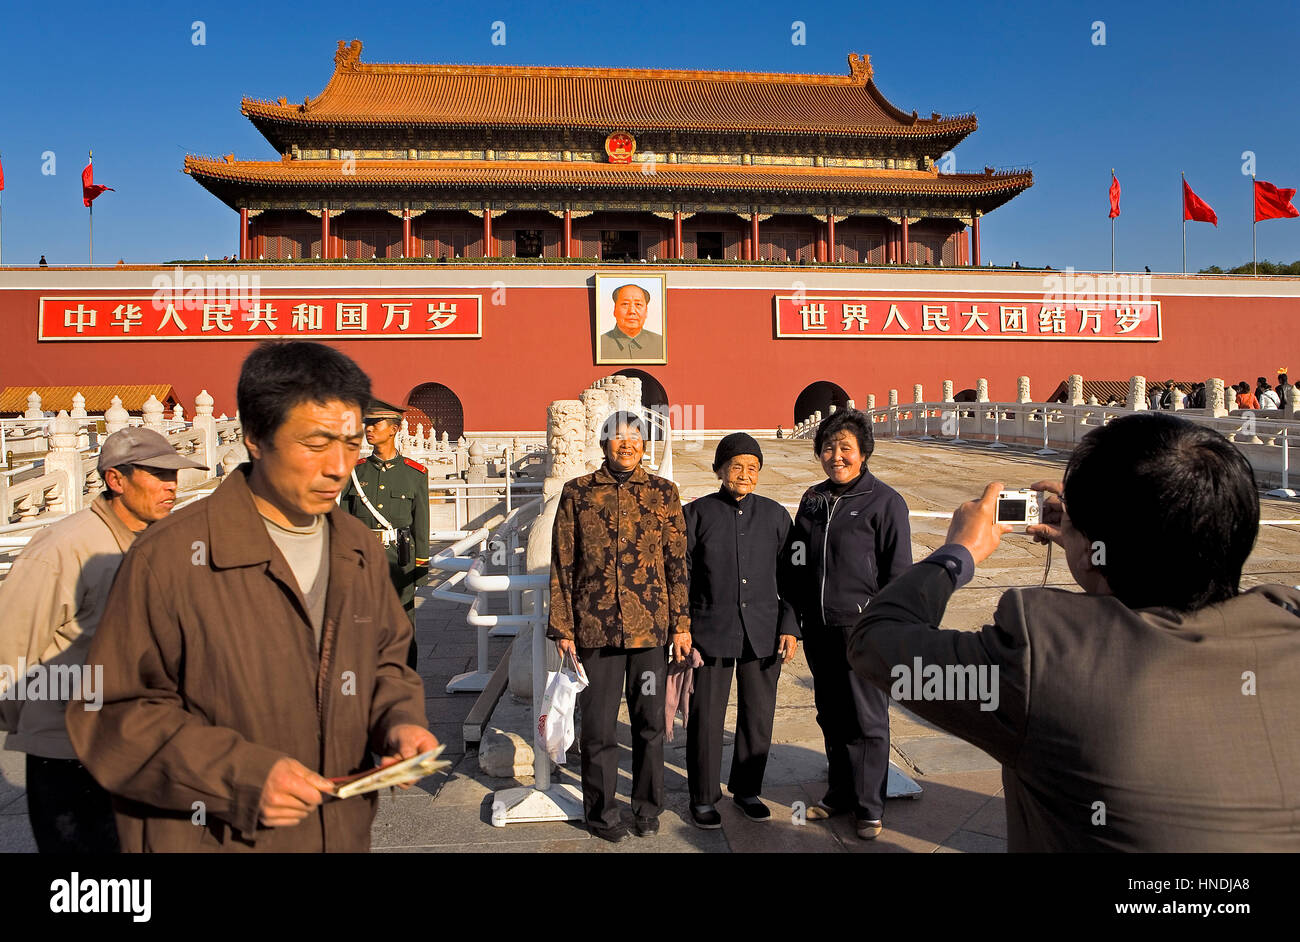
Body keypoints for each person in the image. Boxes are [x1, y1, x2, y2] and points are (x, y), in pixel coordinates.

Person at [849, 413, 1300, 851]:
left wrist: (957, 553)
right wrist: (1096, 540)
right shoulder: (1287, 619)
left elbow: (875, 640)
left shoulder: (1043, 657)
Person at [67, 341, 435, 852]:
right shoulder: (172, 557)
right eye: (316, 442)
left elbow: (386, 665)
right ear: (256, 438)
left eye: (351, 444)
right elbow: (110, 711)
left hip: (339, 834)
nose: (338, 466)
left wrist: (399, 723)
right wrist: (239, 775)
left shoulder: (357, 549)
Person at [0, 428, 206, 853]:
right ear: (116, 480)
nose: (172, 486)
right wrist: (39, 724)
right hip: (68, 751)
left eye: (174, 475)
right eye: (158, 474)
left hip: (136, 747)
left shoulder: (158, 544)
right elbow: (10, 645)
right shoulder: (64, 549)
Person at [547, 411, 690, 842]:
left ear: (644, 444)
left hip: (649, 630)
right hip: (595, 631)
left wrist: (681, 624)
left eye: (634, 437)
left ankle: (647, 810)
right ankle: (602, 815)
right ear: (603, 443)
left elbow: (677, 563)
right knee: (599, 729)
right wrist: (563, 627)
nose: (625, 444)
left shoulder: (664, 493)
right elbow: (563, 563)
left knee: (649, 725)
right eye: (617, 438)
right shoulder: (578, 494)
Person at [785, 409, 912, 841]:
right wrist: (795, 616)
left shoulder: (886, 502)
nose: (835, 456)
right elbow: (797, 563)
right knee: (831, 715)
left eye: (845, 449)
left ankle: (869, 806)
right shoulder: (813, 500)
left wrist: (890, 629)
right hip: (820, 628)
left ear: (863, 454)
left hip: (863, 631)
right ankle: (838, 793)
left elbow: (899, 576)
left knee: (868, 720)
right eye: (828, 448)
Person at [683, 434, 799, 828]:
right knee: (706, 716)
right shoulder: (696, 514)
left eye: (753, 468)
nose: (745, 475)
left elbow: (792, 578)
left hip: (764, 630)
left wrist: (790, 627)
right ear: (719, 470)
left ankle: (747, 790)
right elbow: (681, 576)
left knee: (758, 714)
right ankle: (702, 796)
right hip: (711, 628)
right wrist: (682, 628)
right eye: (736, 466)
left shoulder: (776, 515)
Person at [339, 398, 430, 670]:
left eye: (375, 424)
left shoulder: (414, 474)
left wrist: (420, 568)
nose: (368, 429)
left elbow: (421, 526)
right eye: (366, 424)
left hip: (398, 561)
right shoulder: (355, 472)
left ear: (394, 429)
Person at [599, 284, 664, 360]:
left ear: (646, 311)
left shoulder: (661, 343)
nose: (632, 311)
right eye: (625, 304)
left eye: (638, 304)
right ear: (615, 310)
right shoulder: (600, 344)